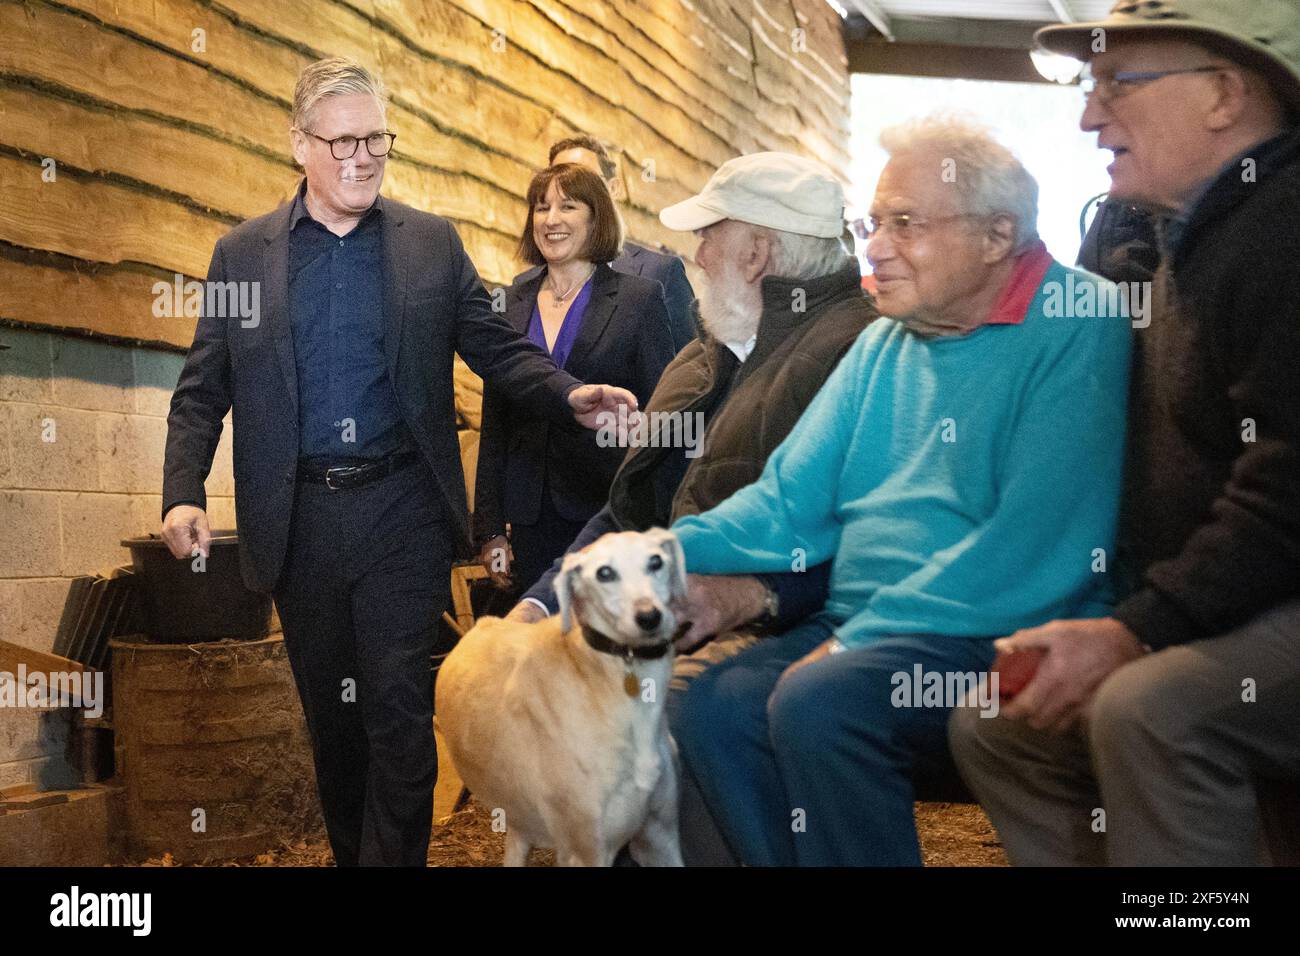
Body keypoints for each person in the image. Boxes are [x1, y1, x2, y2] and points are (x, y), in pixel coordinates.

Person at [160, 57, 637, 867]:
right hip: (300, 519)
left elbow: (493, 345)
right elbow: (203, 389)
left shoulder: (429, 245)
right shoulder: (243, 256)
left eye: (376, 139)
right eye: (342, 140)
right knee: (335, 727)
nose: (362, 156)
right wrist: (182, 492)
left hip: (400, 511)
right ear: (299, 144)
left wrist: (567, 394)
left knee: (399, 714)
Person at [667, 117, 1133, 866]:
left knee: (820, 705)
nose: (876, 246)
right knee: (708, 706)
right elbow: (789, 500)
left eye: (906, 224)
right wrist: (661, 553)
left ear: (995, 235)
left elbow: (1035, 554)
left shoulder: (1083, 320)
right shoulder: (884, 340)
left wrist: (853, 640)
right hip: (868, 629)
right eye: (872, 222)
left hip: (999, 632)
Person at [950, 0, 1300, 866]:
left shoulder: (1283, 231)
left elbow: (1287, 491)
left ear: (1224, 93)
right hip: (1246, 594)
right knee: (1005, 718)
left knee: (1151, 710)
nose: (1088, 114)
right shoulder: (1201, 235)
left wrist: (1134, 629)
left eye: (1117, 82)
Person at [504, 151, 879, 864]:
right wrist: (543, 599)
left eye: (711, 234)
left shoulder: (845, 352)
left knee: (656, 715)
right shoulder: (708, 352)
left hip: (774, 620)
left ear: (759, 251)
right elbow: (627, 514)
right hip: (674, 604)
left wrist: (752, 598)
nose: (696, 254)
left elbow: (855, 537)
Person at [472, 164, 674, 603]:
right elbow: (495, 419)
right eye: (540, 208)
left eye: (568, 206)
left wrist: (655, 520)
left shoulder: (639, 300)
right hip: (528, 517)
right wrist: (489, 528)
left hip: (607, 510)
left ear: (596, 217)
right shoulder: (509, 301)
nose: (551, 219)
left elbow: (663, 416)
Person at [514, 136, 697, 352]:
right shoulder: (522, 288)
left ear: (614, 188)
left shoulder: (659, 274)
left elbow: (686, 366)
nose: (568, 187)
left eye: (582, 180)